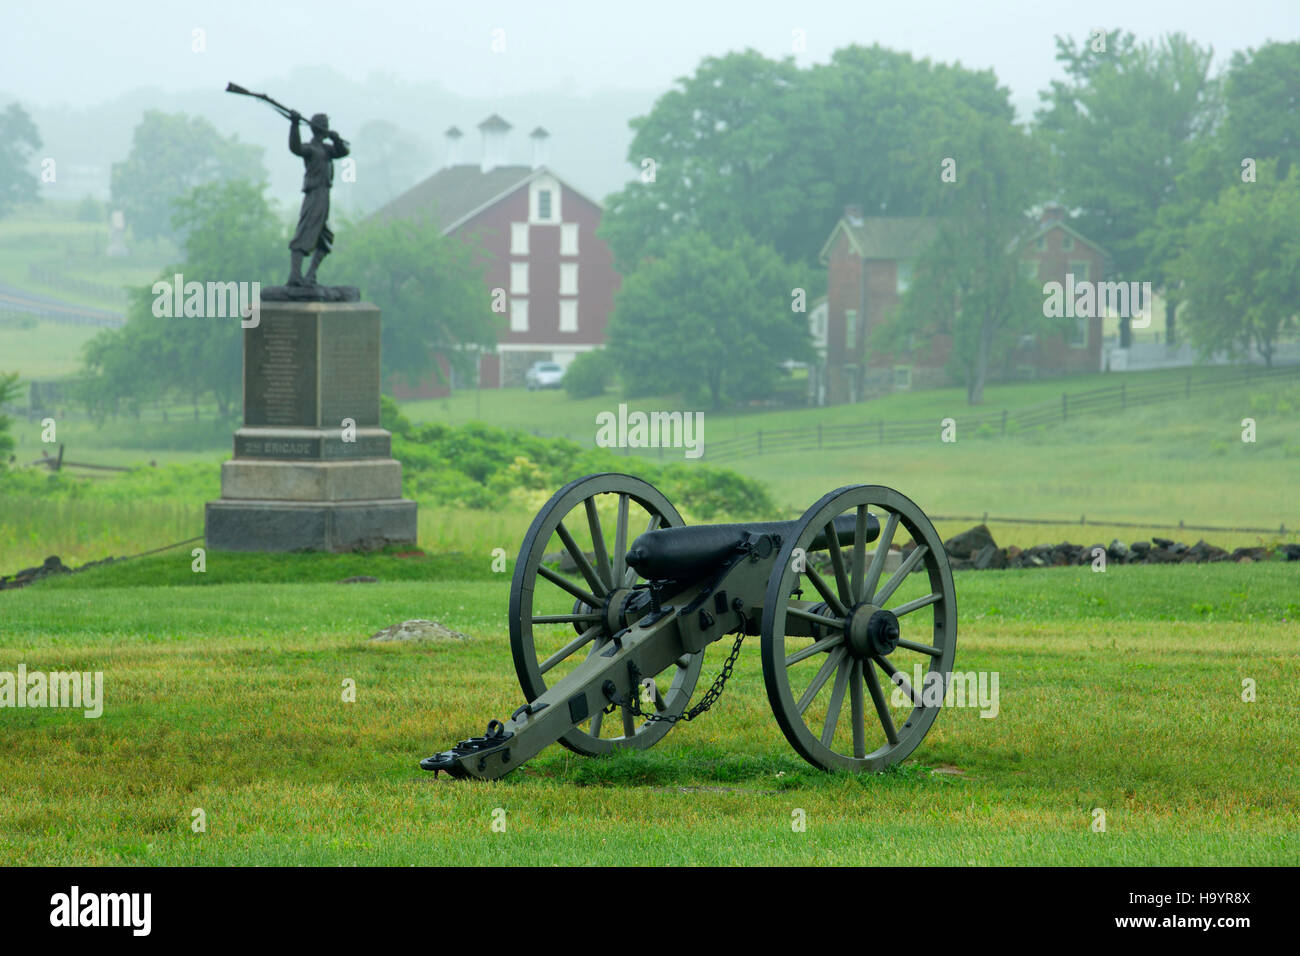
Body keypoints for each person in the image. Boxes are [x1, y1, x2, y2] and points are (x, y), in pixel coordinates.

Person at [287, 111, 348, 286]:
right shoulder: (311, 148)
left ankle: (310, 275)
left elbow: (343, 151)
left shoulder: (328, 149)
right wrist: (294, 124)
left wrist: (335, 139)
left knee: (325, 237)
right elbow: (295, 147)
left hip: (324, 194)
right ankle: (295, 275)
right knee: (306, 230)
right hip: (314, 194)